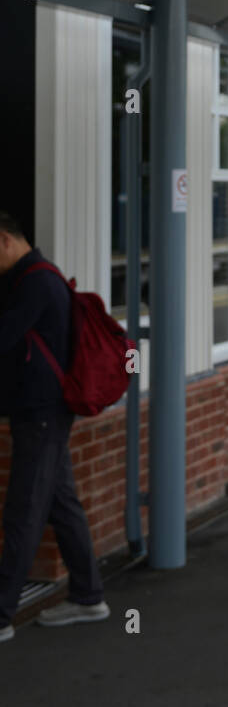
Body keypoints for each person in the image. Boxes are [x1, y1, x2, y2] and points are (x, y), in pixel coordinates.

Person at [0, 212, 109, 642]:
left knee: (24, 510)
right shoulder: (37, 279)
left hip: (41, 413)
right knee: (61, 504)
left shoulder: (36, 283)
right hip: (45, 412)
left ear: (5, 239)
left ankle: (1, 614)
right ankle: (88, 596)